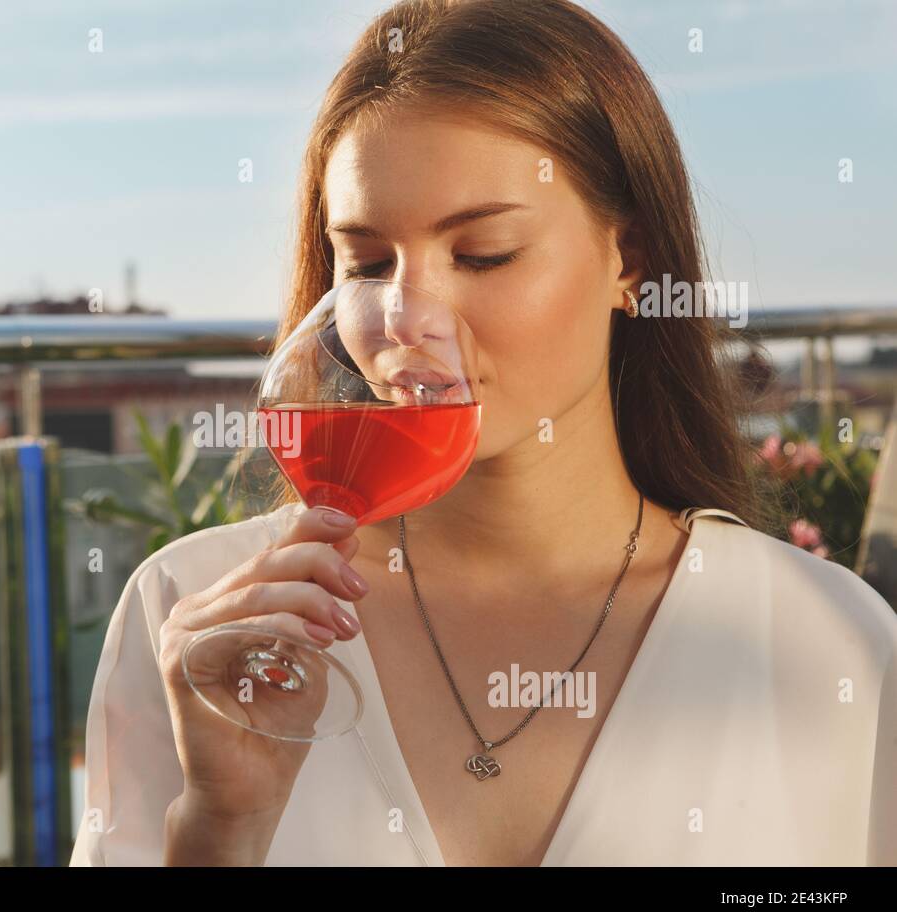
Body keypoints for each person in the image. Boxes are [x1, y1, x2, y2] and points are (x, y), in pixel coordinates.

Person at [69, 0, 897, 866]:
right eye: (368, 263)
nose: (406, 318)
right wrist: (220, 829)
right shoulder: (198, 625)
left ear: (632, 261)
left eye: (483, 254)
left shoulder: (830, 647)